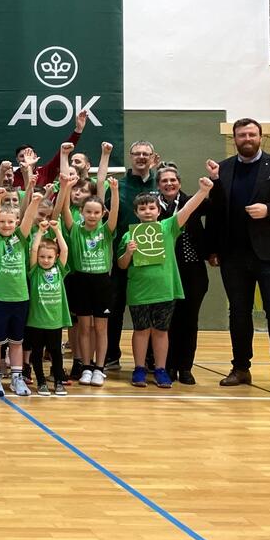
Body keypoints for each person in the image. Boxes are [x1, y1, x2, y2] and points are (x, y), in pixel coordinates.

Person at [207, 118, 270, 395]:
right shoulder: (223, 169)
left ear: (260, 137)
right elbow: (216, 211)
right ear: (235, 138)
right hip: (234, 256)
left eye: (252, 134)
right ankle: (241, 368)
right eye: (242, 135)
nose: (247, 139)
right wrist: (212, 249)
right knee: (238, 314)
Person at [116, 177, 212, 390]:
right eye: (142, 208)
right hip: (139, 291)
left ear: (159, 211)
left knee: (161, 331)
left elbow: (187, 210)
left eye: (152, 208)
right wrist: (129, 252)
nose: (147, 211)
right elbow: (122, 265)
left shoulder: (168, 227)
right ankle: (139, 368)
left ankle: (160, 369)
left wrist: (203, 191)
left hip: (165, 289)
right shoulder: (128, 235)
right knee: (141, 330)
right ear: (136, 212)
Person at [0, 186, 42, 398]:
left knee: (17, 341)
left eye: (10, 222)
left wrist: (35, 202)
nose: (6, 225)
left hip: (20, 298)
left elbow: (28, 219)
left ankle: (17, 377)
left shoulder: (21, 238)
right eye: (2, 221)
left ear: (16, 223)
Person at [105, 139, 161, 368]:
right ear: (131, 157)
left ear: (152, 157)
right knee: (115, 307)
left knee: (151, 309)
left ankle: (150, 358)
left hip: (153, 260)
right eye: (137, 153)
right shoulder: (118, 187)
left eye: (145, 154)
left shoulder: (160, 183)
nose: (141, 157)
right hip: (123, 257)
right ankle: (111, 355)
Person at [61, 175, 120, 386]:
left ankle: (99, 368)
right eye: (88, 212)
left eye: (96, 212)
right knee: (84, 328)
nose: (92, 216)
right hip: (81, 282)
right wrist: (66, 187)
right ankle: (86, 367)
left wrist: (114, 191)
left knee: (101, 328)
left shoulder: (106, 231)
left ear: (102, 213)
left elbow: (115, 213)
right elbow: (64, 210)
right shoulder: (75, 229)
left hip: (102, 283)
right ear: (82, 213)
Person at [156, 166, 209, 385]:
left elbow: (217, 214)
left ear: (179, 182)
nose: (169, 184)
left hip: (191, 270)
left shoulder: (194, 201)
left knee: (189, 320)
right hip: (164, 271)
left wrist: (212, 251)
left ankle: (185, 367)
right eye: (164, 181)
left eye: (173, 180)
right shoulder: (152, 206)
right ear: (158, 185)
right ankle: (168, 366)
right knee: (167, 321)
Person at [26, 220, 70, 396]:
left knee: (56, 352)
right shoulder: (35, 271)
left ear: (56, 257)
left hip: (54, 321)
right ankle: (41, 382)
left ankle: (59, 381)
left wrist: (57, 230)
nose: (45, 260)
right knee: (37, 352)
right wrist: (40, 231)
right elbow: (33, 249)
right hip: (36, 321)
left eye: (50, 257)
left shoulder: (59, 270)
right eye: (42, 257)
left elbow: (65, 249)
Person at [11, 109, 87, 188]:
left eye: (29, 154)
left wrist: (78, 130)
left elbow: (63, 153)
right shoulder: (11, 177)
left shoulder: (46, 172)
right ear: (17, 159)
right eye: (21, 156)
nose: (25, 158)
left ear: (35, 157)